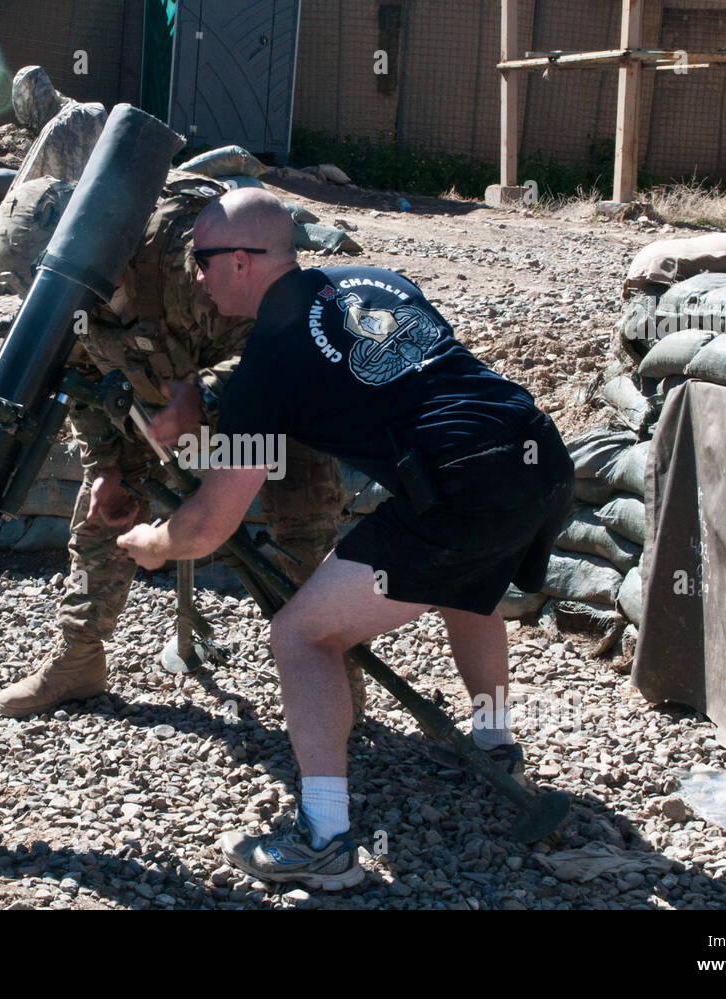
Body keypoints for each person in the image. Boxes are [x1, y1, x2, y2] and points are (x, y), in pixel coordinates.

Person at [116, 188, 575, 890]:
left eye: (203, 260)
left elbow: (211, 524)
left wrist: (156, 541)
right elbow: (379, 373)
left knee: (300, 634)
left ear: (241, 261)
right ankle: (493, 741)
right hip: (535, 454)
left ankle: (324, 839)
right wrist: (208, 406)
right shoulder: (371, 280)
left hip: (464, 489)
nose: (195, 274)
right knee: (470, 586)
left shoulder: (266, 361)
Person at [0, 171, 362, 720]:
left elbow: (288, 347)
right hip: (163, 409)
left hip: (274, 409)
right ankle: (78, 660)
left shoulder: (186, 259)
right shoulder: (67, 297)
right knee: (101, 517)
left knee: (303, 547)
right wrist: (106, 466)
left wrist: (205, 399)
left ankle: (340, 685)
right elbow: (82, 377)